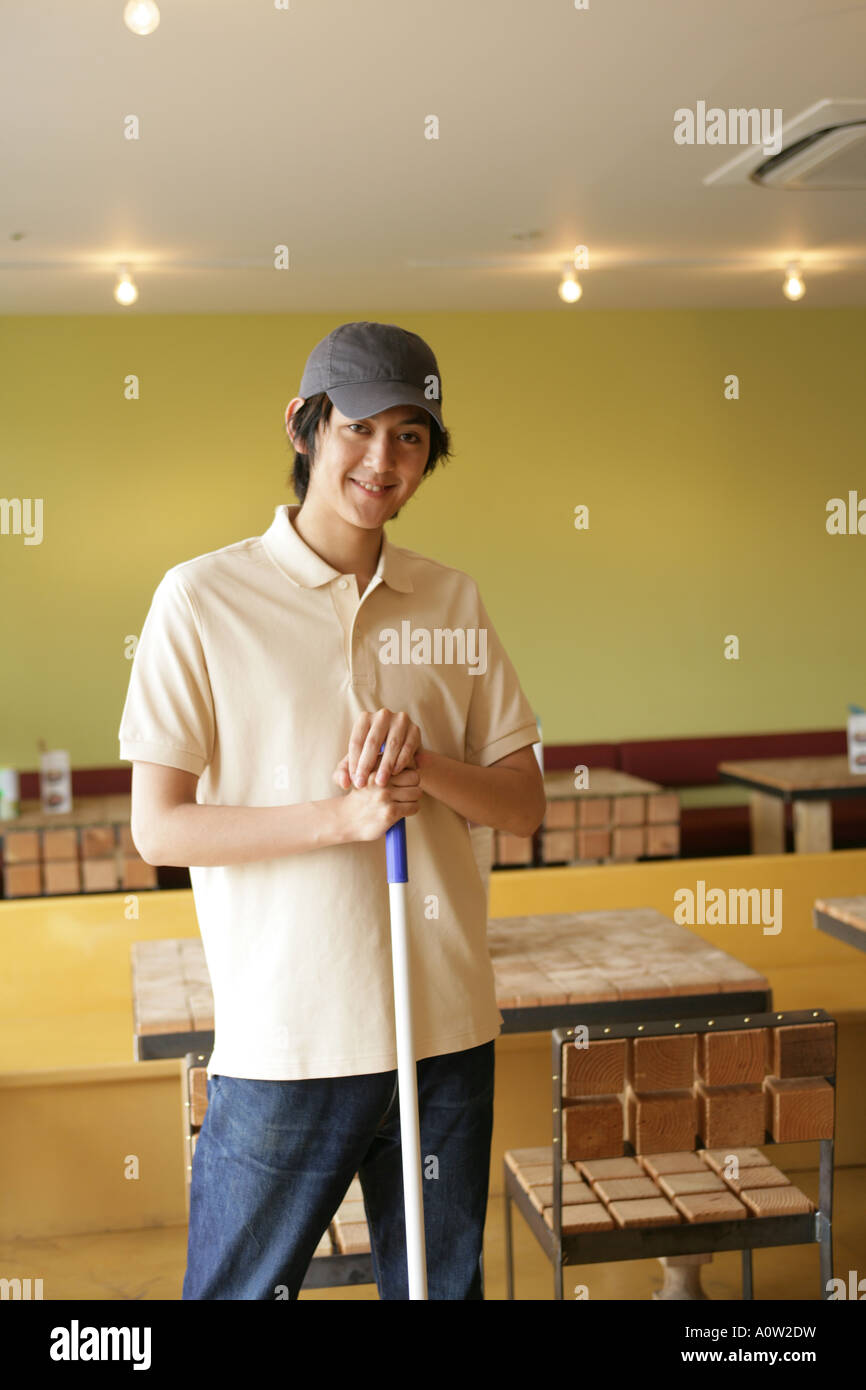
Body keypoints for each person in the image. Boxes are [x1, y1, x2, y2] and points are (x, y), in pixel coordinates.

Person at [118, 320, 545, 1300]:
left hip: (443, 1032)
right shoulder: (201, 599)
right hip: (286, 1038)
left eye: (410, 435)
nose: (382, 457)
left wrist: (425, 769)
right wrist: (340, 816)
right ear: (304, 427)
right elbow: (160, 827)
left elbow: (521, 803)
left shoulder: (449, 601)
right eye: (359, 426)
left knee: (440, 1294)